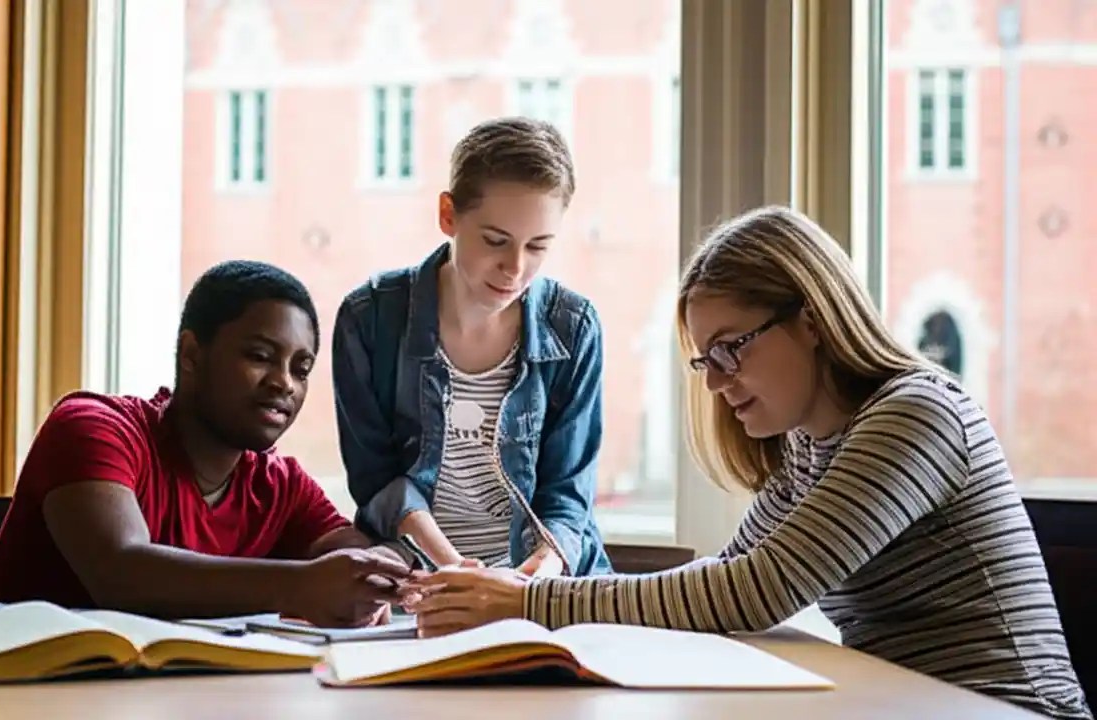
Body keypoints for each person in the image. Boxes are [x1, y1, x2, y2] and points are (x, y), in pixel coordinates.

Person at [406, 206, 1091, 719]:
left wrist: (533, 602)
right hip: (913, 705)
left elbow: (759, 589)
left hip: (1008, 710)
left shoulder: (918, 415)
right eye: (706, 359)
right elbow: (727, 581)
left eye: (732, 348)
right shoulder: (809, 448)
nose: (714, 382)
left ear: (813, 319)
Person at [0, 261, 411, 627]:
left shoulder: (279, 484)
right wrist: (304, 586)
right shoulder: (94, 428)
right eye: (260, 356)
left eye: (301, 368)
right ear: (191, 355)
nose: (284, 383)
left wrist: (381, 570)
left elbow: (351, 551)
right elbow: (121, 573)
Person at [332, 117, 611, 578]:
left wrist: (529, 583)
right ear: (448, 216)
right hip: (419, 577)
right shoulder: (370, 320)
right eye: (495, 241)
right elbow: (376, 481)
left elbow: (567, 494)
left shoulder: (575, 327)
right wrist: (457, 570)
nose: (515, 269)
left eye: (538, 246)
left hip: (547, 586)